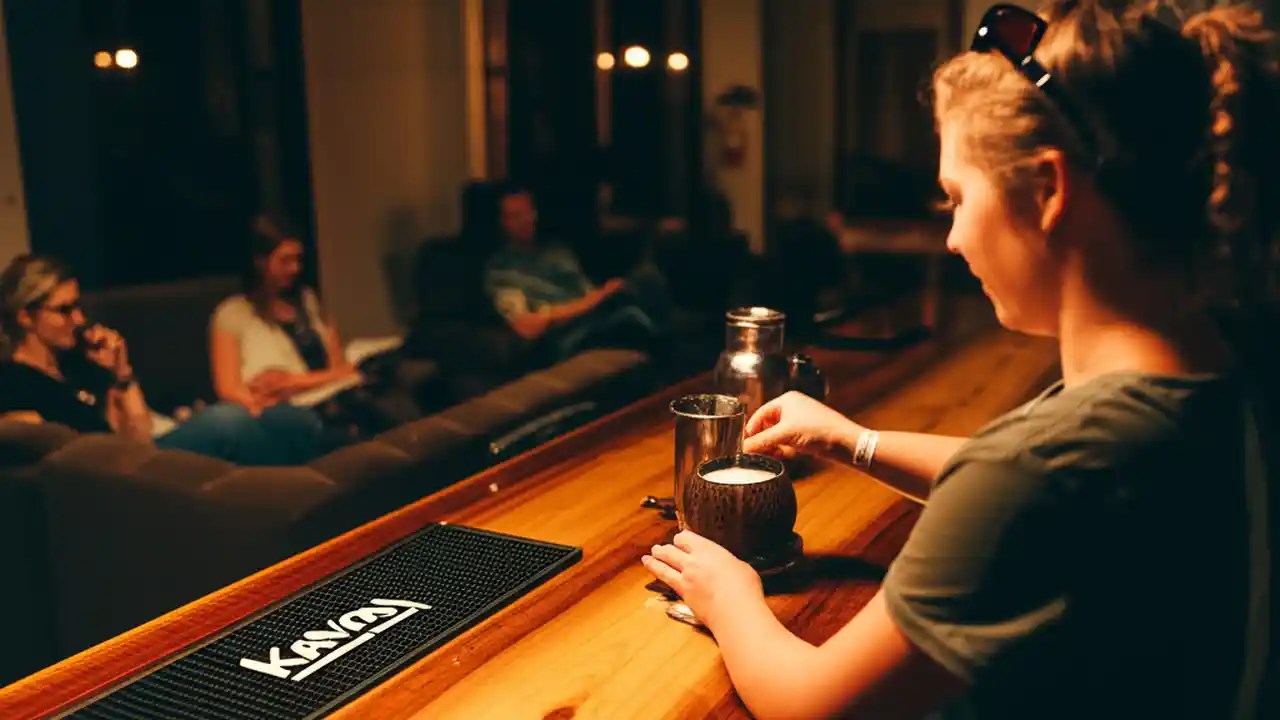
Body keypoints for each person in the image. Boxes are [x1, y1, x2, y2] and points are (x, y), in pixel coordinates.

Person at [642, 3, 1277, 718]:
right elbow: (1034, 490)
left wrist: (730, 598)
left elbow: (810, 705)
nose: (952, 238)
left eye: (957, 199)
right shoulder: (1215, 366)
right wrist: (855, 441)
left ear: (1047, 191)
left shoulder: (1043, 470)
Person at [0, 255, 323, 465]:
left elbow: (139, 435)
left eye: (78, 306)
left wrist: (122, 374)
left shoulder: (77, 364)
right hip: (111, 476)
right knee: (229, 420)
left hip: (139, 458)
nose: (79, 318)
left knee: (287, 418)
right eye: (64, 310)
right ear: (26, 317)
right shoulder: (14, 380)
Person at [211, 214, 415, 441]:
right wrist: (257, 404)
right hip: (285, 412)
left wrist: (293, 382)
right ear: (260, 262)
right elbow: (227, 387)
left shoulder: (308, 300)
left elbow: (338, 369)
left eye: (298, 259)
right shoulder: (233, 313)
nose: (294, 268)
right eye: (285, 261)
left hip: (327, 398)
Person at [483, 185, 670, 362]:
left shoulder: (556, 250)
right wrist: (594, 299)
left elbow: (587, 290)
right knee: (636, 319)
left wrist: (605, 295)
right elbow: (526, 327)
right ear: (503, 223)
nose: (525, 220)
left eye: (528, 212)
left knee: (646, 282)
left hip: (599, 316)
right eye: (515, 216)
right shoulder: (501, 271)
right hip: (569, 336)